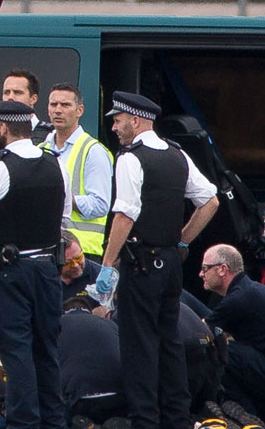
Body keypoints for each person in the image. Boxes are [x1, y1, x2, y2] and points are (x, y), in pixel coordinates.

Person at [95, 91, 218, 429]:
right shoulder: (178, 155)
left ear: (135, 120)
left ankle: (145, 419)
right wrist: (181, 239)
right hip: (169, 264)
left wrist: (107, 264)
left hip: (141, 264)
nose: (115, 128)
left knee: (139, 345)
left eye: (118, 121)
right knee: (170, 342)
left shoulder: (131, 158)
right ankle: (177, 417)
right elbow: (210, 201)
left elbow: (125, 215)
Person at [0, 100, 67, 429]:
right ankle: (54, 422)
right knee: (47, 352)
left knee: (17, 353)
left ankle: (23, 424)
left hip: (11, 271)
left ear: (3, 128)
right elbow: (62, 217)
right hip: (47, 269)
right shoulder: (55, 164)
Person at [200, 244, 265, 429]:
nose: (201, 274)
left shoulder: (238, 299)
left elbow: (201, 330)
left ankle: (247, 414)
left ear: (222, 269)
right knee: (232, 352)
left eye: (205, 268)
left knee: (218, 351)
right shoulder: (250, 290)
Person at [40, 84, 112, 262]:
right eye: (53, 104)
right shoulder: (40, 149)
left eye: (65, 105)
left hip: (82, 252)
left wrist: (63, 199)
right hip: (46, 248)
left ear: (79, 110)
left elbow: (101, 204)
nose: (58, 110)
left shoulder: (93, 151)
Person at [1, 69, 52, 144]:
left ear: (33, 99)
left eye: (17, 92)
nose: (10, 97)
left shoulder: (50, 136)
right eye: (6, 92)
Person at [60, 233, 102, 308]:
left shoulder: (99, 276)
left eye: (78, 258)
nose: (76, 265)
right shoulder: (46, 277)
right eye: (68, 263)